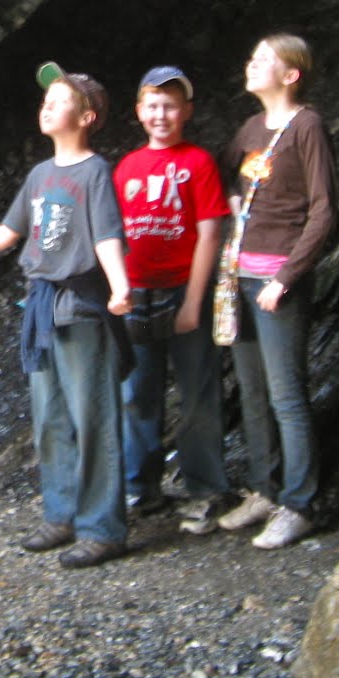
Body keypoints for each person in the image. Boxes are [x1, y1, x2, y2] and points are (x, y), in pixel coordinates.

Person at [0, 62, 133, 569]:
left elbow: (106, 235)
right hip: (40, 307)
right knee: (50, 420)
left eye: (58, 100)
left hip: (81, 306)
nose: (47, 106)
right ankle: (61, 516)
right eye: (46, 100)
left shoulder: (94, 172)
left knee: (93, 418)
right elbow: (9, 231)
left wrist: (121, 287)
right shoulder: (40, 175)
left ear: (86, 116)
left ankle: (102, 529)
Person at [214, 34, 339, 550]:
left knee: (287, 395)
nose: (252, 63)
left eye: (263, 58)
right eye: (252, 55)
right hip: (237, 276)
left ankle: (299, 503)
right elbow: (222, 182)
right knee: (254, 392)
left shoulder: (307, 126)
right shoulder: (249, 128)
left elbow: (325, 208)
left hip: (275, 281)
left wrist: (287, 276)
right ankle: (265, 489)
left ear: (291, 75)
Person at [112, 66, 234, 529]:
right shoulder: (127, 166)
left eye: (170, 105)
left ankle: (205, 486)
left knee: (197, 389)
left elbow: (209, 235)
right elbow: (116, 235)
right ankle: (140, 488)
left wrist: (191, 303)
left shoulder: (198, 163)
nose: (161, 114)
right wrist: (118, 289)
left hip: (185, 288)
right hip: (137, 289)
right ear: (140, 112)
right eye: (153, 105)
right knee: (137, 393)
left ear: (187, 111)